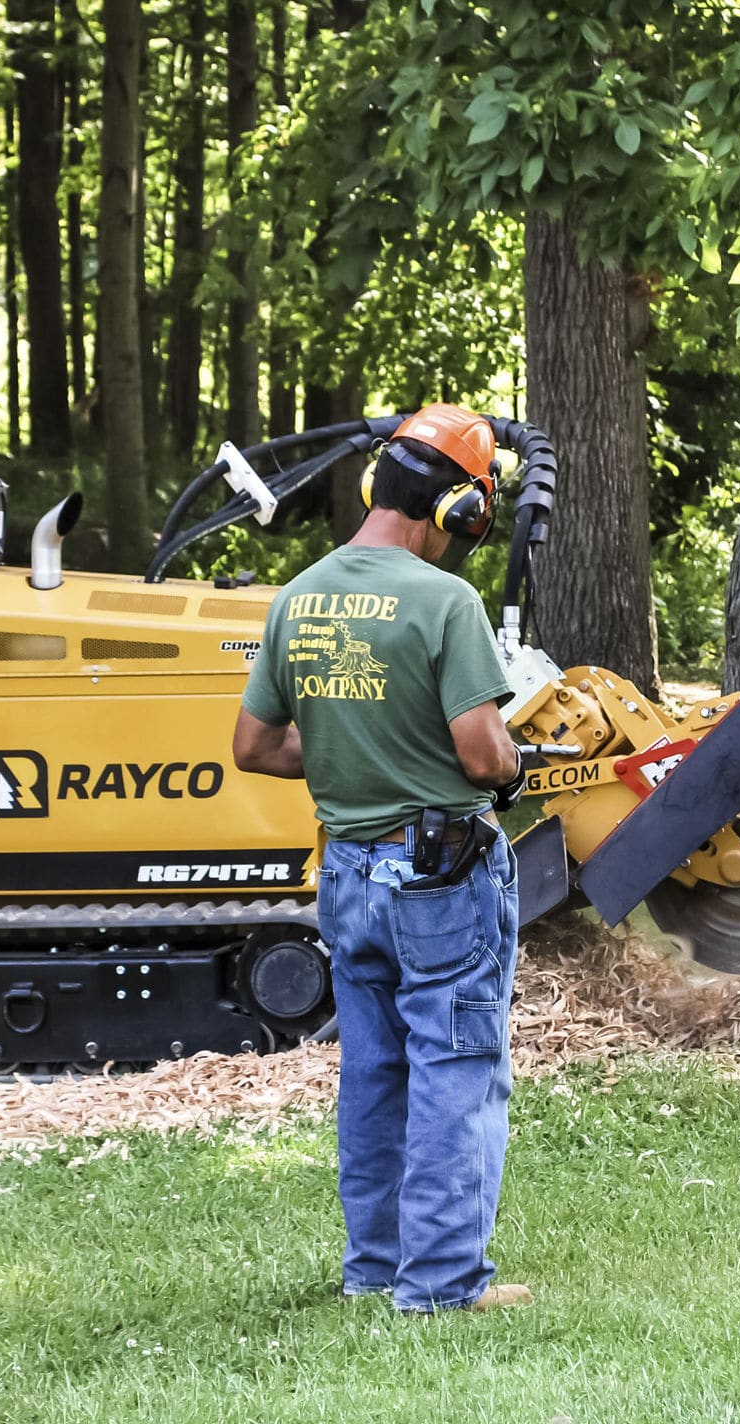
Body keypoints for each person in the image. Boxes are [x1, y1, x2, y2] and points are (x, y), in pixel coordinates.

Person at [232, 403, 532, 1314]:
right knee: (455, 1065)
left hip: (350, 880)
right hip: (439, 879)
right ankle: (440, 1285)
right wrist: (516, 768)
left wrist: (343, 756)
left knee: (375, 1069)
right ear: (458, 511)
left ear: (376, 485)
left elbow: (255, 745)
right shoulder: (446, 602)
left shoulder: (303, 595)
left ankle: (376, 1270)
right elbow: (483, 756)